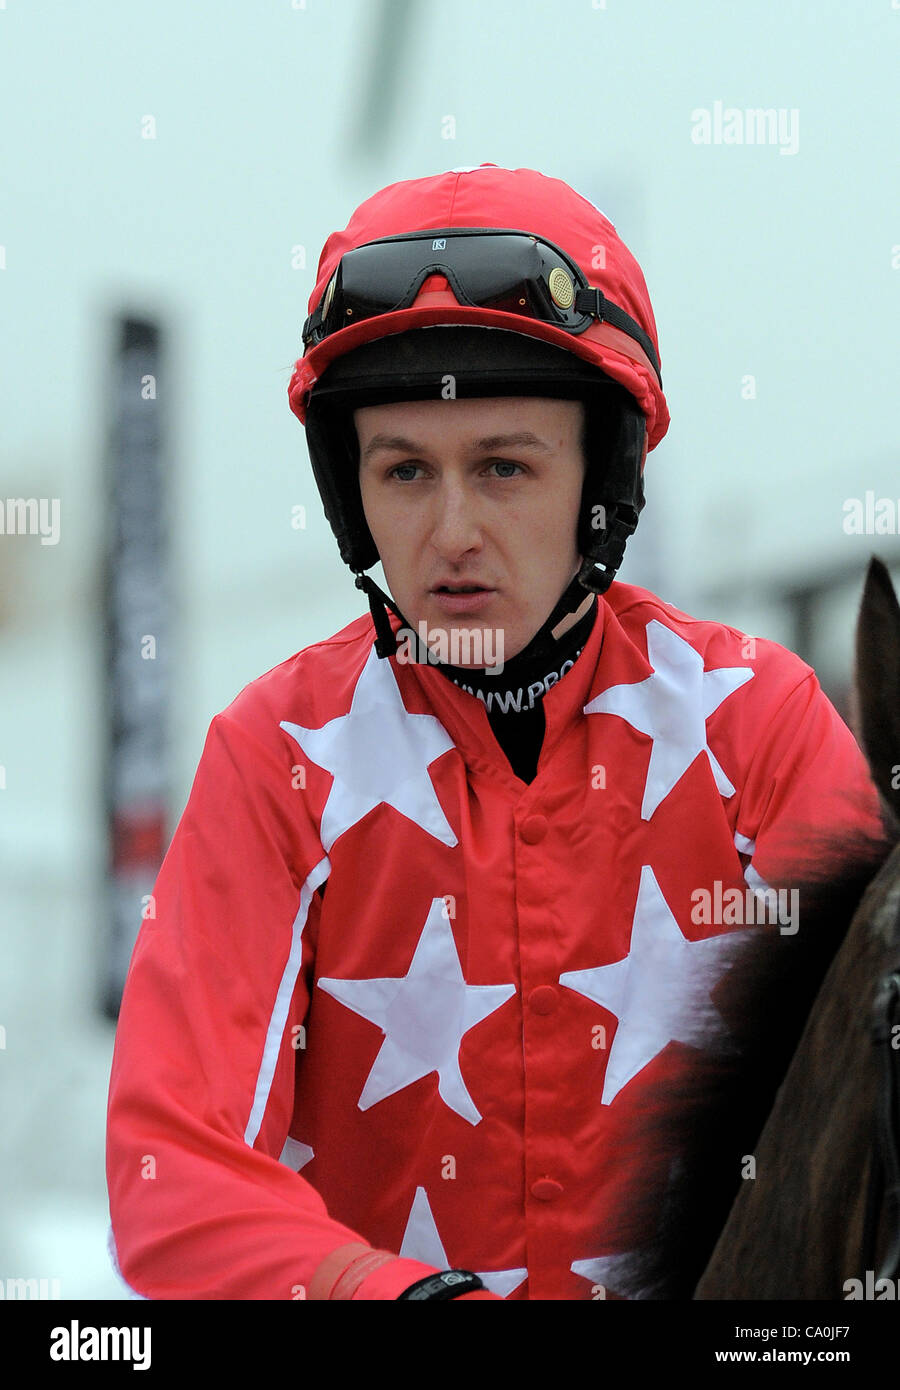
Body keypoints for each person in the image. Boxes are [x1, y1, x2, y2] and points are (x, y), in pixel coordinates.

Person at [105, 163, 890, 1301]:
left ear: (601, 483)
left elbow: (870, 1095)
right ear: (351, 493)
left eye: (505, 468)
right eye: (406, 471)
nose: (452, 530)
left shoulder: (756, 722)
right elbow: (167, 1166)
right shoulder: (278, 752)